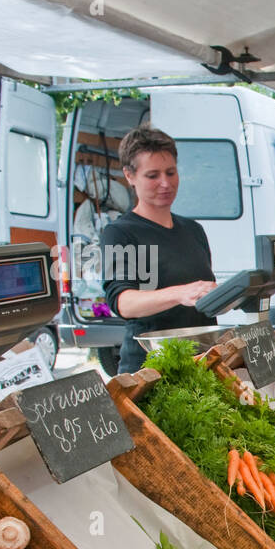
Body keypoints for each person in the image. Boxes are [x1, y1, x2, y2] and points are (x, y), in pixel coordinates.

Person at [101, 124, 218, 374]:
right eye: (152, 176)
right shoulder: (120, 233)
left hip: (200, 365)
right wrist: (179, 293)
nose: (165, 183)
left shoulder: (193, 230)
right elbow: (124, 302)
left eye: (171, 172)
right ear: (129, 176)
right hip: (148, 370)